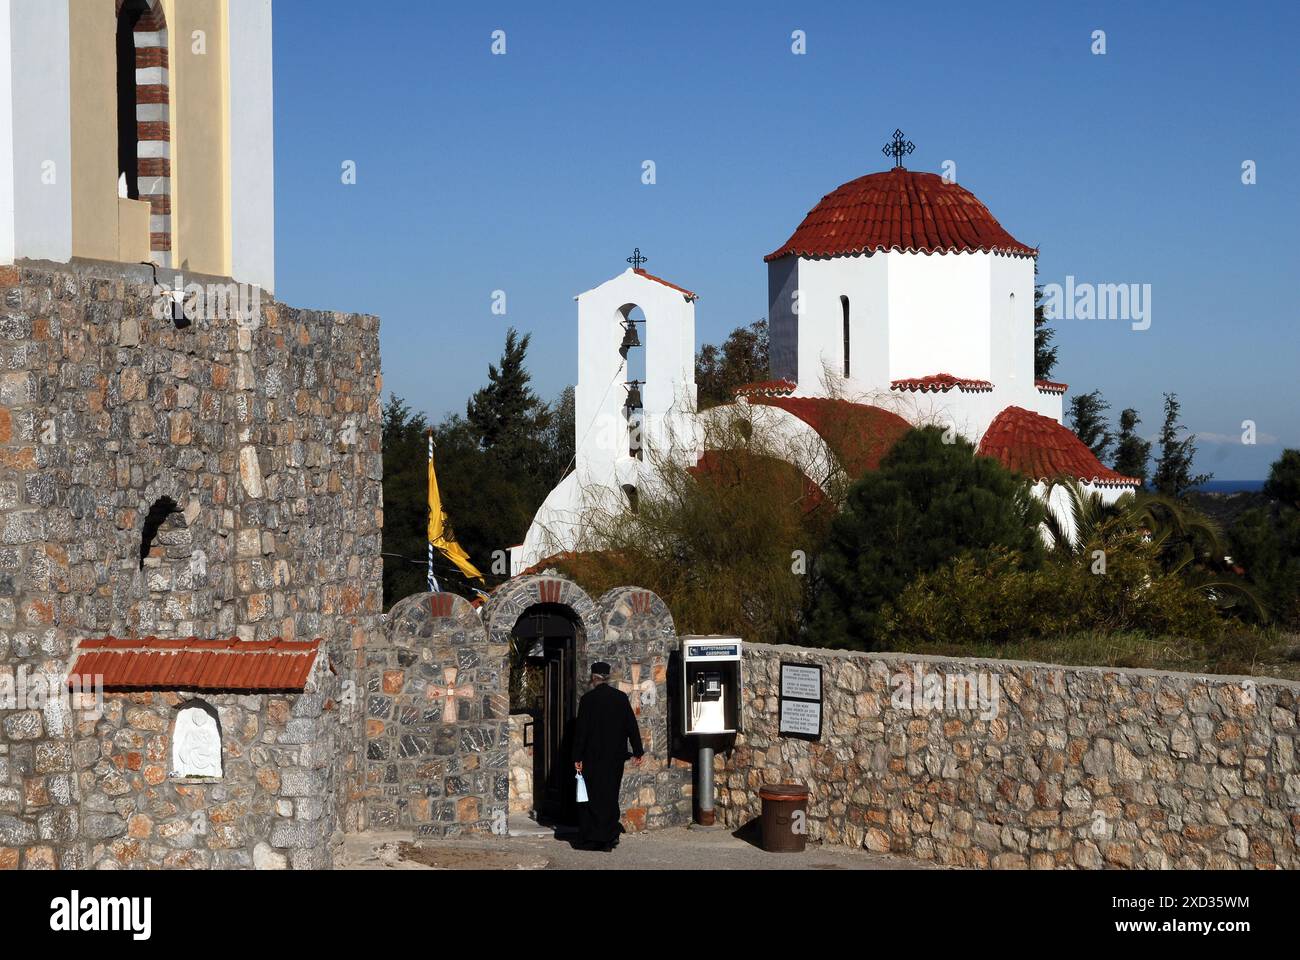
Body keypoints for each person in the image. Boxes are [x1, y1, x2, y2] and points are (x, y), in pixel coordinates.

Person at [572, 661, 643, 851]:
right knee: (610, 796)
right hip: (614, 758)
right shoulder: (620, 698)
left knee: (593, 797)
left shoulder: (587, 700)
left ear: (594, 678)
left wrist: (577, 758)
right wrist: (638, 751)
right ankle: (609, 838)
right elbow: (631, 726)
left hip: (592, 758)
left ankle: (592, 838)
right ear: (607, 678)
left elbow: (581, 732)